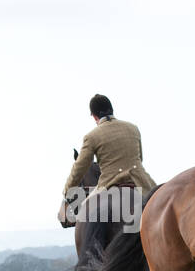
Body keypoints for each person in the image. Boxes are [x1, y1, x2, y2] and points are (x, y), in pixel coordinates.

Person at [62, 94, 156, 224]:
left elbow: (79, 168)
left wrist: (68, 189)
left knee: (85, 215)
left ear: (94, 116)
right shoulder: (133, 128)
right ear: (111, 109)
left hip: (109, 184)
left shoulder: (92, 136)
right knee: (161, 203)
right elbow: (140, 158)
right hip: (141, 182)